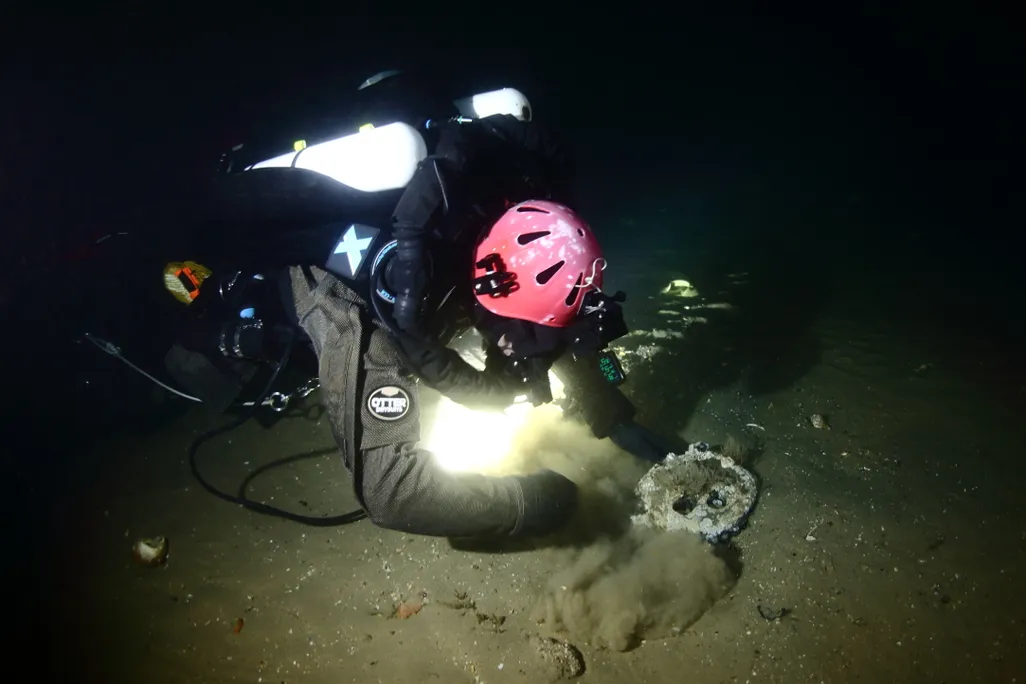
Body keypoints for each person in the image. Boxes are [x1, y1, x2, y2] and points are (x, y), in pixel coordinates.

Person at [167, 70, 676, 539]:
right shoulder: (372, 297)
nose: (517, 348)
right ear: (491, 287)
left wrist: (610, 410)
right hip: (255, 315)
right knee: (183, 355)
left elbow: (558, 314)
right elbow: (395, 495)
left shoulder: (507, 206)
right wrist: (549, 502)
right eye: (518, 333)